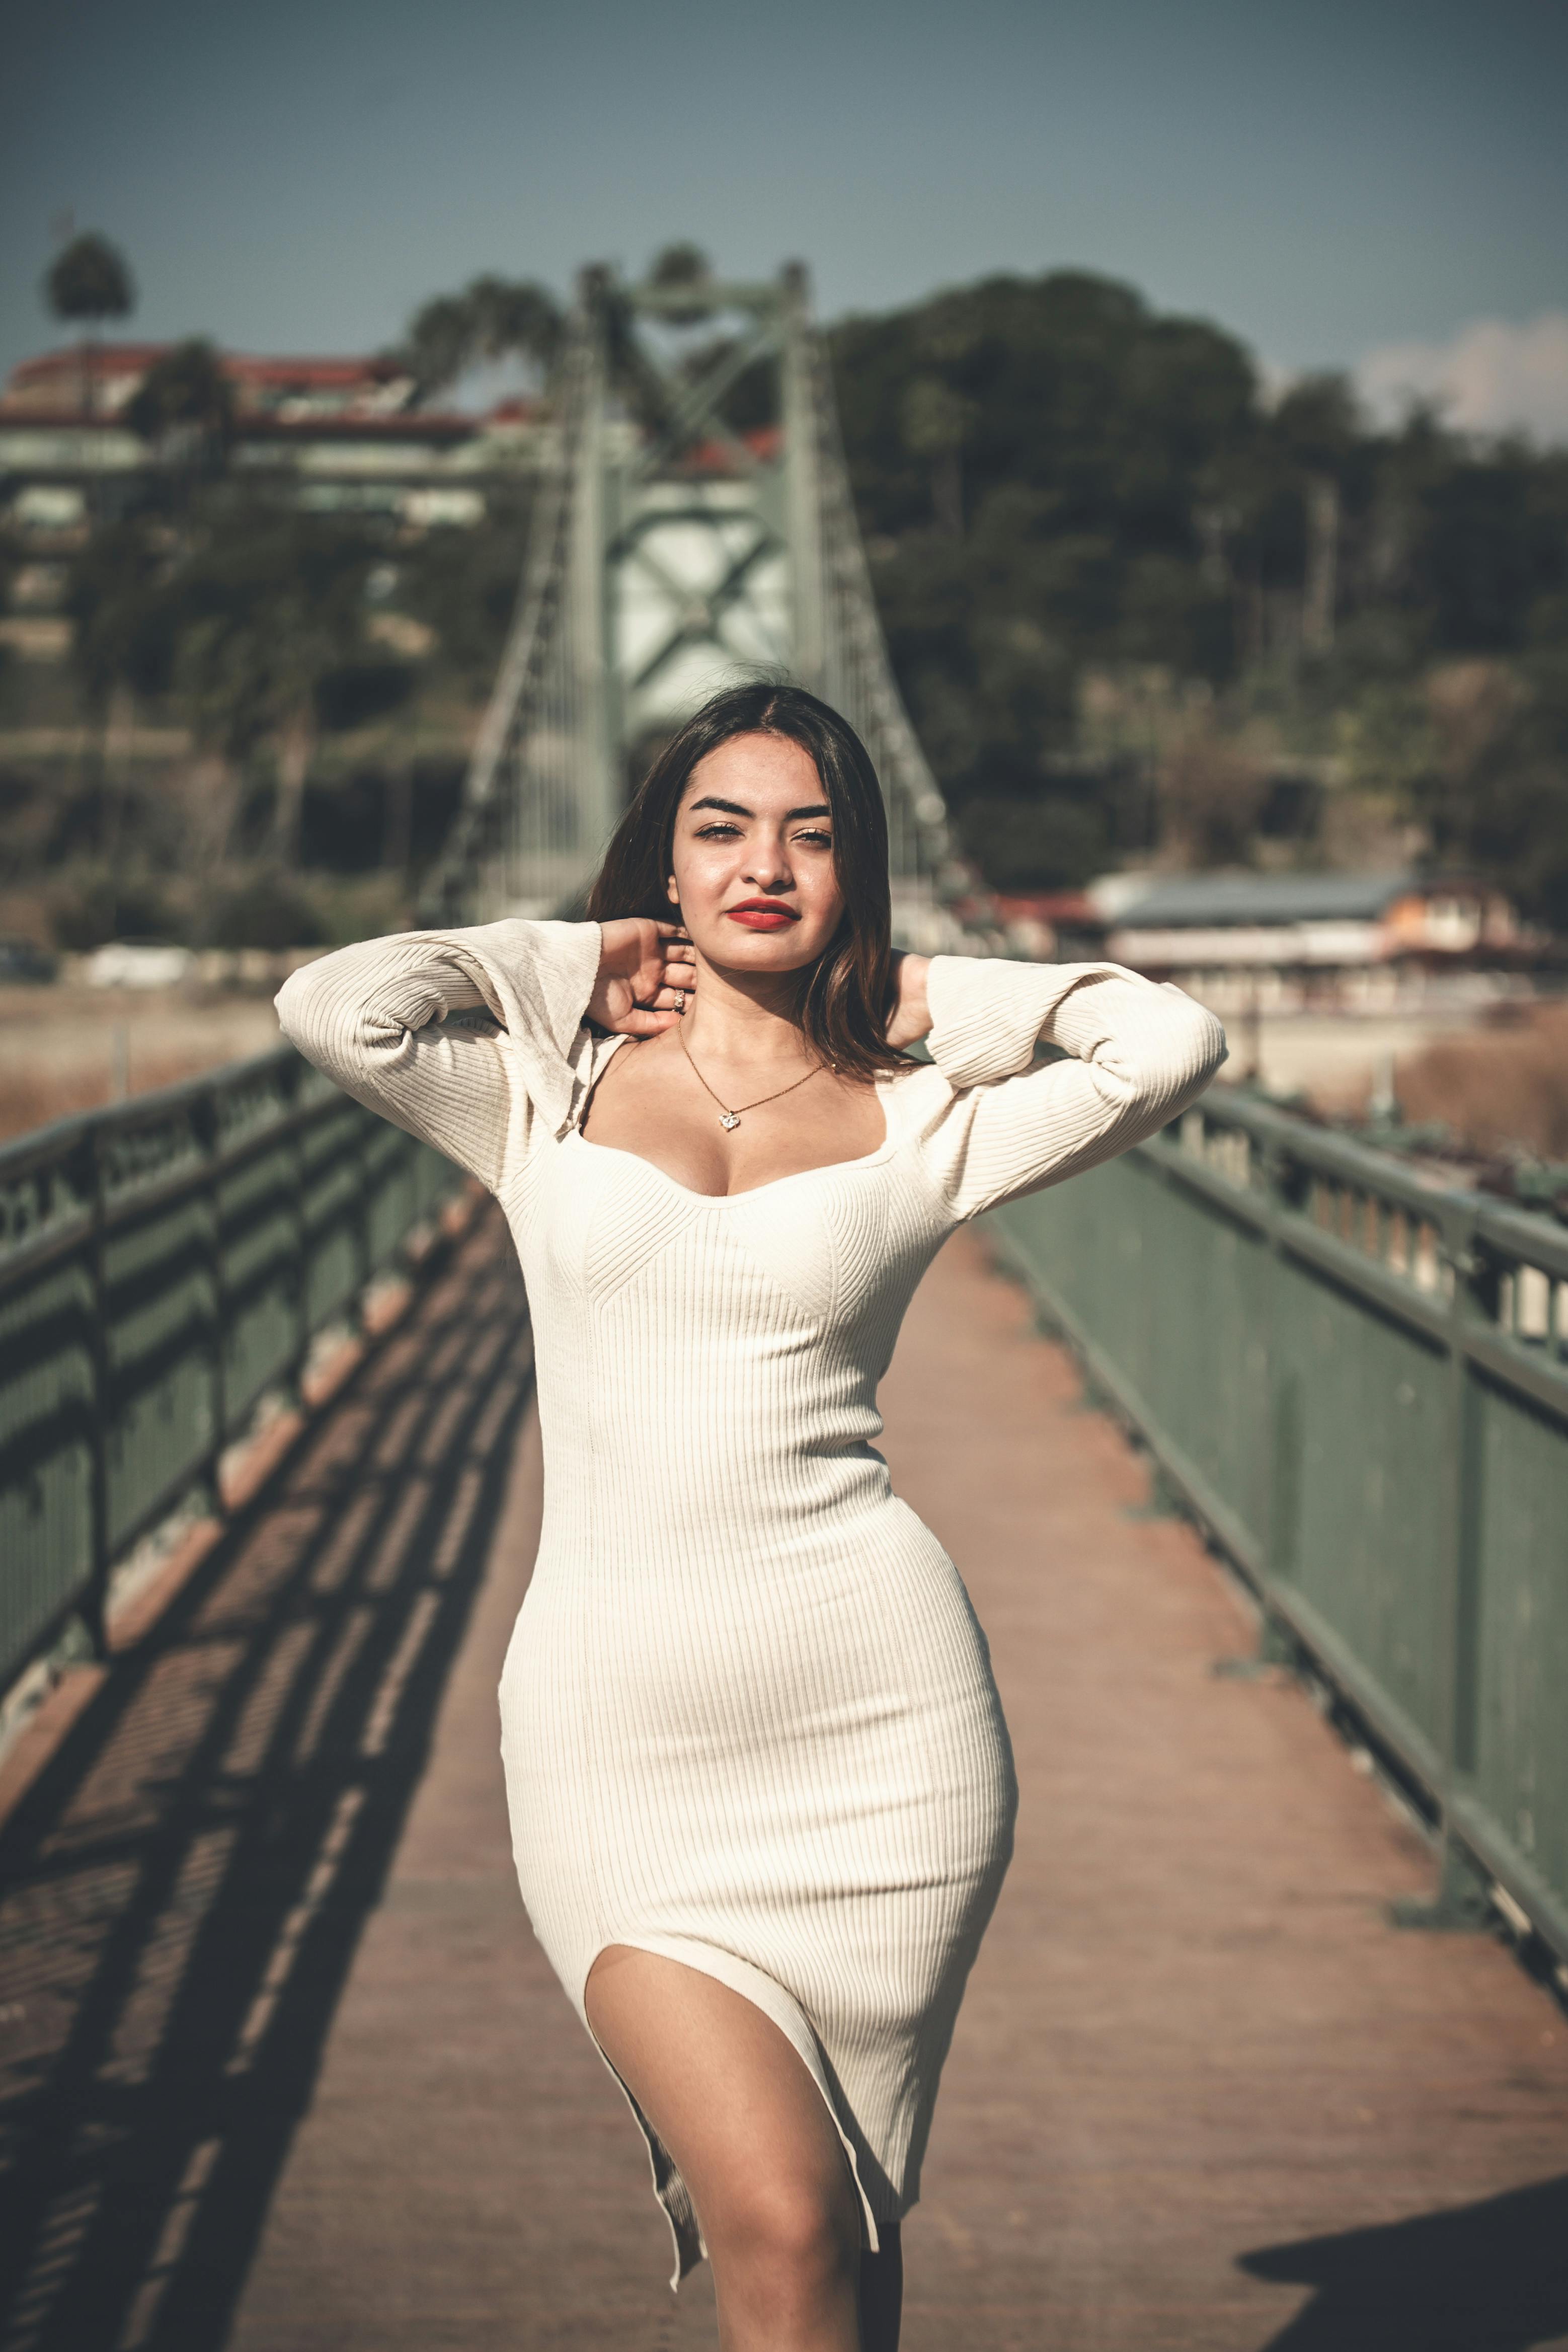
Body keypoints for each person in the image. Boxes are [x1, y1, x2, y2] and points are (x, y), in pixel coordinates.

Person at [275, 681, 1225, 2352]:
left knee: (835, 2226)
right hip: (616, 1740)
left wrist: (929, 990)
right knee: (781, 2215)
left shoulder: (930, 1121)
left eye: (812, 831)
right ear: (664, 857)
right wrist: (569, 959)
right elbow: (334, 1009)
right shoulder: (538, 1087)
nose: (764, 865)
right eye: (720, 827)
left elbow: (1167, 1048)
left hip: (880, 1732)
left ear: (859, 868)